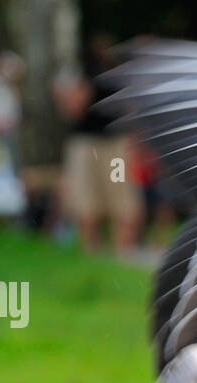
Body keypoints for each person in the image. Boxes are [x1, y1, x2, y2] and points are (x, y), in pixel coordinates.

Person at [53, 35, 144, 254]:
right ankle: (117, 257)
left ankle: (99, 256)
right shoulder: (118, 76)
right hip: (109, 146)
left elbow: (72, 110)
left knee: (95, 203)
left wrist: (61, 95)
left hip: (95, 146)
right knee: (113, 202)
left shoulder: (84, 76)